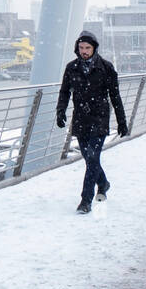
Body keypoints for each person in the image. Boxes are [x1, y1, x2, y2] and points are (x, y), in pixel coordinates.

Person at [55, 30, 129, 214]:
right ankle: (103, 183)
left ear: (94, 48)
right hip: (80, 119)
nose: (84, 51)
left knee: (93, 156)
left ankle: (85, 201)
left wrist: (121, 121)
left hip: (99, 118)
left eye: (87, 48)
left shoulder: (106, 67)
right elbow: (64, 92)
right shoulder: (71, 68)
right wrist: (60, 112)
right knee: (89, 158)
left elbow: (115, 96)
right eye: (81, 48)